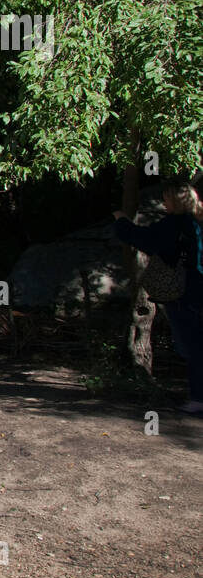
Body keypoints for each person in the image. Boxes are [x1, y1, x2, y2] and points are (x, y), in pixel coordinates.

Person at [112, 176, 203, 415]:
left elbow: (145, 239)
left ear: (173, 199)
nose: (163, 204)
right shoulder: (196, 223)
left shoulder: (175, 225)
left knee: (192, 346)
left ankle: (199, 397)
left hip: (185, 293)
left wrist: (122, 222)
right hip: (196, 290)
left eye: (166, 199)